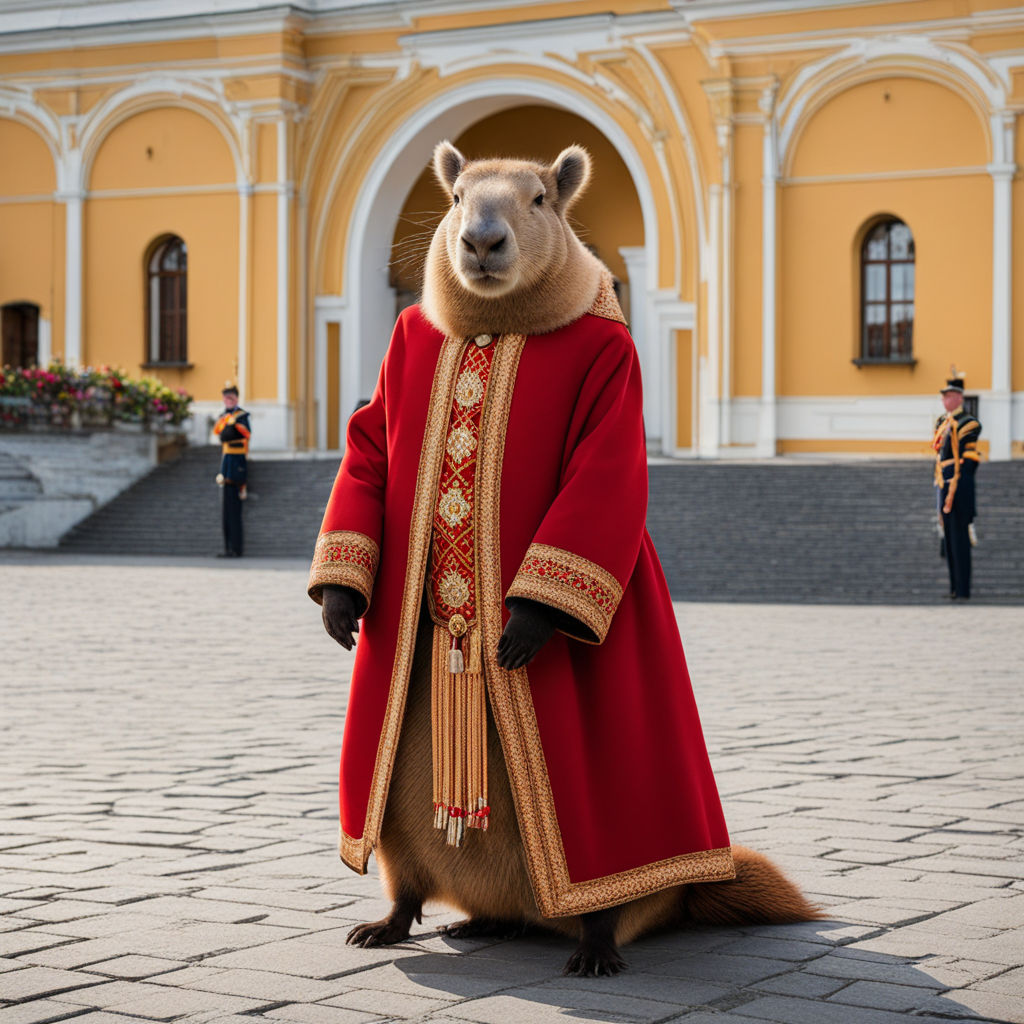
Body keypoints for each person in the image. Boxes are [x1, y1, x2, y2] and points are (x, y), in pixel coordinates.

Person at [932, 373, 981, 599]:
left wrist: (956, 486)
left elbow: (969, 460)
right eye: (944, 396)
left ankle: (963, 590)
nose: (946, 400)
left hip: (959, 489)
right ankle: (954, 588)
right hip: (944, 487)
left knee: (960, 540)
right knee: (949, 540)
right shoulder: (942, 423)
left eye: (950, 396)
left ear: (960, 398)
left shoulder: (968, 423)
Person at [212, 383, 250, 558]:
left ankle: (236, 548)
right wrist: (227, 423)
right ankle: (228, 548)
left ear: (236, 399)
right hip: (226, 465)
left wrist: (233, 424)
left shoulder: (241, 416)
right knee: (226, 512)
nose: (228, 400)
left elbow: (245, 434)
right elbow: (219, 433)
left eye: (231, 398)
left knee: (234, 511)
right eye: (226, 398)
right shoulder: (224, 416)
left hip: (237, 464)